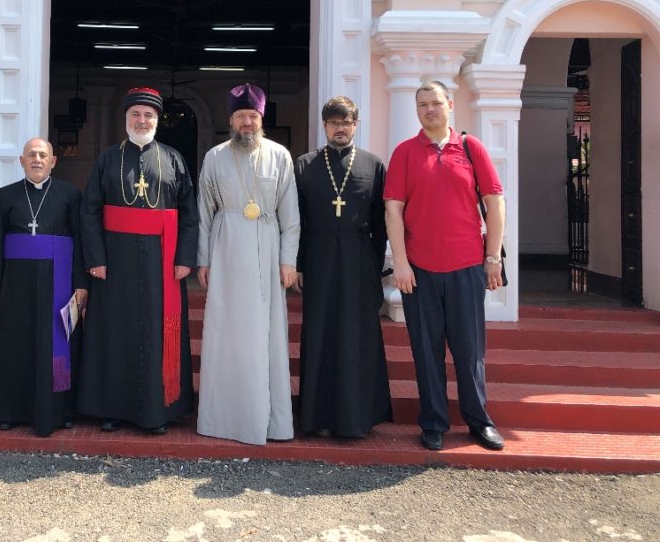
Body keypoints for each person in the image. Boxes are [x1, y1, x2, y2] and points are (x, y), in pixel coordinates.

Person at [384, 80, 506, 452]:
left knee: (470, 351)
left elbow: (495, 202)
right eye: (422, 105)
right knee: (426, 349)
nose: (429, 110)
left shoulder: (471, 148)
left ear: (450, 104)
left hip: (467, 266)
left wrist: (492, 257)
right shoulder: (404, 153)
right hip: (419, 271)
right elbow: (393, 209)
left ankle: (478, 421)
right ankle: (433, 422)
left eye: (435, 103)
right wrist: (400, 263)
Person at [79, 87, 198, 435]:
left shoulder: (174, 158)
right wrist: (96, 259)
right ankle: (112, 409)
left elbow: (189, 214)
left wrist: (185, 258)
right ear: (126, 118)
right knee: (114, 333)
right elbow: (90, 212)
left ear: (157, 120)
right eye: (136, 114)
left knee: (157, 334)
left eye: (148, 115)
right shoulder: (106, 159)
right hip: (114, 263)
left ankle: (157, 410)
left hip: (162, 263)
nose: (142, 120)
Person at [195, 83, 300, 446]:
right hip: (225, 249)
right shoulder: (214, 157)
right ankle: (223, 418)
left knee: (265, 334)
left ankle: (268, 422)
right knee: (226, 331)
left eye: (252, 116)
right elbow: (203, 212)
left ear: (261, 118)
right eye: (241, 116)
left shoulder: (280, 156)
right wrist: (203, 259)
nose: (247, 122)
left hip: (268, 249)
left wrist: (289, 260)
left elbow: (291, 215)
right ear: (231, 120)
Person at [295, 96, 392, 439]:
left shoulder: (373, 165)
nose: (340, 128)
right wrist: (299, 263)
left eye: (347, 122)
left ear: (356, 124)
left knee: (356, 335)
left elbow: (383, 222)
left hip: (359, 261)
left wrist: (375, 264)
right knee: (319, 333)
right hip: (318, 260)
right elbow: (299, 221)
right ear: (324, 126)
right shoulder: (305, 165)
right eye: (334, 122)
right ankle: (316, 417)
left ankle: (358, 418)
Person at [0, 137, 88, 436]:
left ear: (54, 161)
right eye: (31, 155)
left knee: (59, 343)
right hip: (15, 285)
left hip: (60, 282)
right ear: (22, 160)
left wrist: (82, 284)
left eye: (43, 155)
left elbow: (80, 242)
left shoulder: (70, 195)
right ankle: (8, 409)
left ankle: (60, 410)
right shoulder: (4, 197)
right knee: (14, 344)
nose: (37, 160)